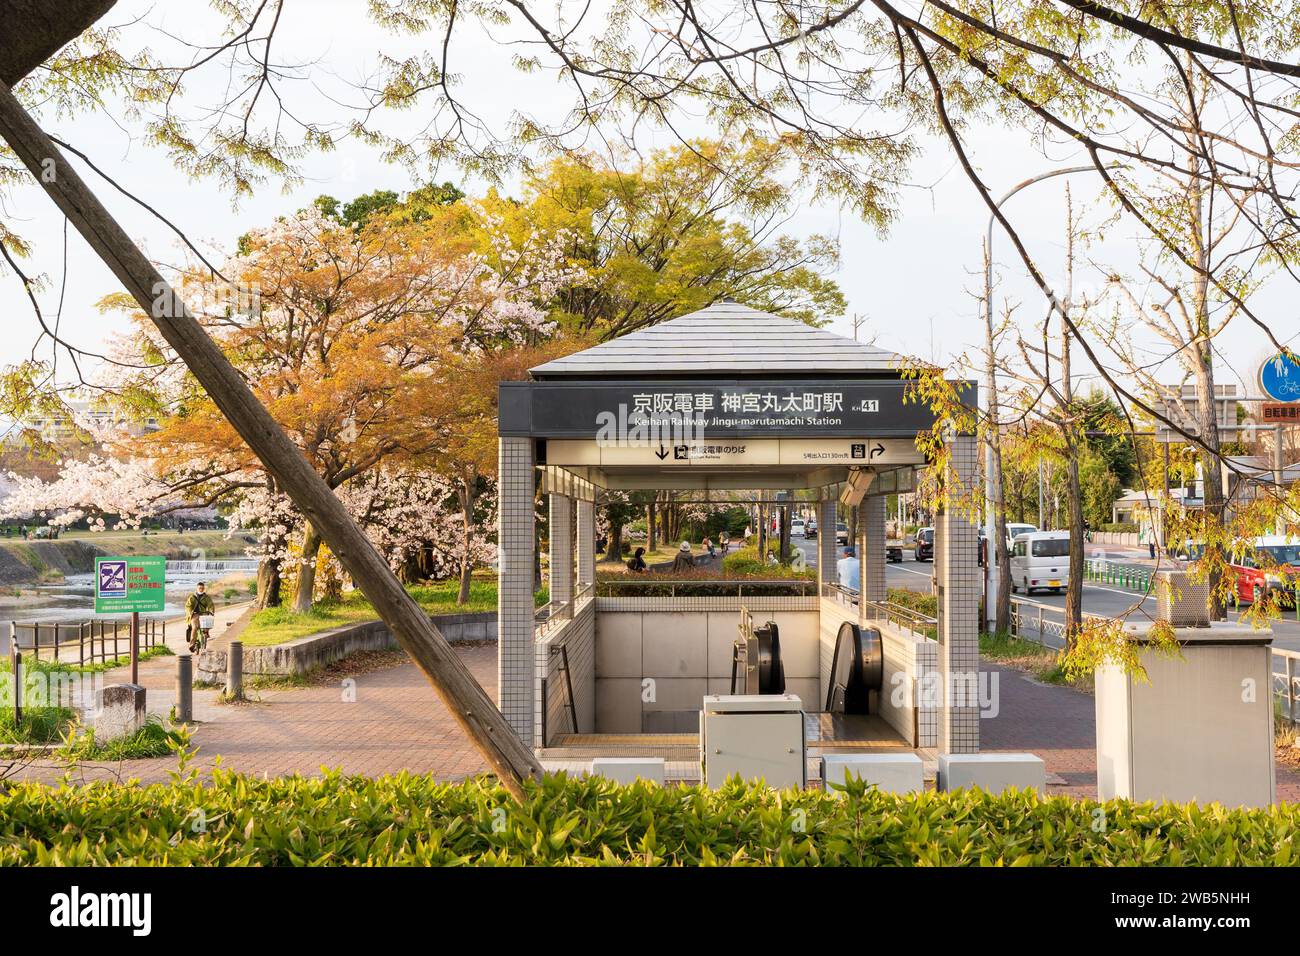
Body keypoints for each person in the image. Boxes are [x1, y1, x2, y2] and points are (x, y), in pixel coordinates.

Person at [185, 581, 216, 653]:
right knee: (195, 628)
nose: (201, 589)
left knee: (206, 626)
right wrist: (190, 612)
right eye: (199, 588)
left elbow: (210, 605)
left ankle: (206, 634)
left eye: (202, 588)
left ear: (204, 588)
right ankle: (192, 645)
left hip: (204, 614)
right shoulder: (192, 597)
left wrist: (211, 611)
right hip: (194, 615)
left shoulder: (206, 597)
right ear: (197, 588)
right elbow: (188, 606)